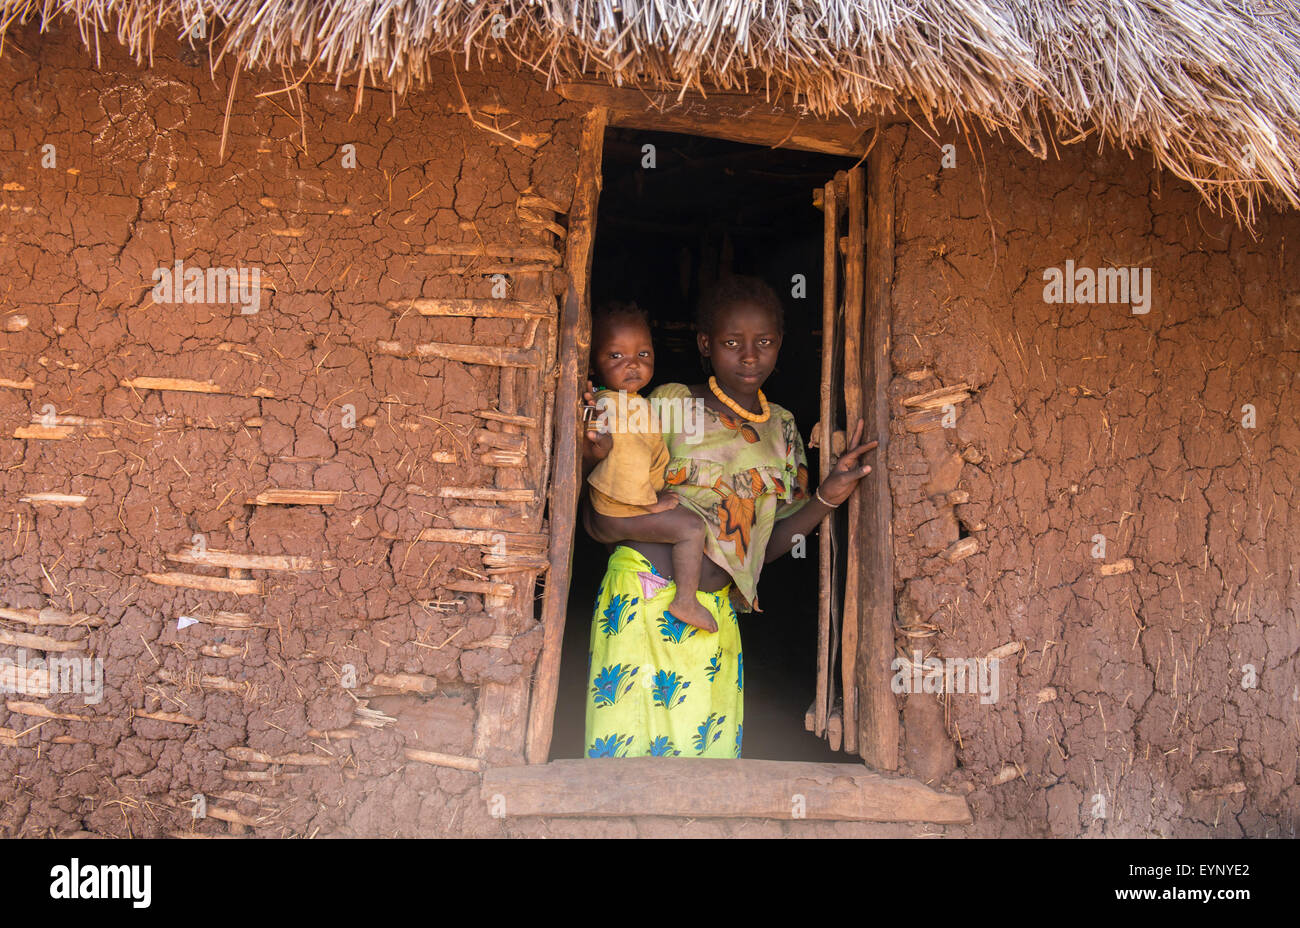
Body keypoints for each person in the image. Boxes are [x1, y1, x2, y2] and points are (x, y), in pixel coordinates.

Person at [580, 275, 878, 759]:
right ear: (705, 343)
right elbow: (609, 501)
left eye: (764, 342)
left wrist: (827, 497)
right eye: (732, 342)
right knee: (627, 767)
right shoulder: (670, 402)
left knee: (705, 774)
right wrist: (610, 506)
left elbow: (764, 545)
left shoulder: (782, 429)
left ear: (780, 344)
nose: (749, 356)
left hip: (713, 613)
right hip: (644, 598)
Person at [584, 301, 716, 632]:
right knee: (691, 529)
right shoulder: (611, 407)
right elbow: (628, 462)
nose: (632, 364)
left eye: (643, 354)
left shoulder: (632, 402)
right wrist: (652, 504)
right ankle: (685, 600)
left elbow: (652, 453)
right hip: (622, 505)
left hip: (619, 503)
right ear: (592, 363)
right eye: (616, 356)